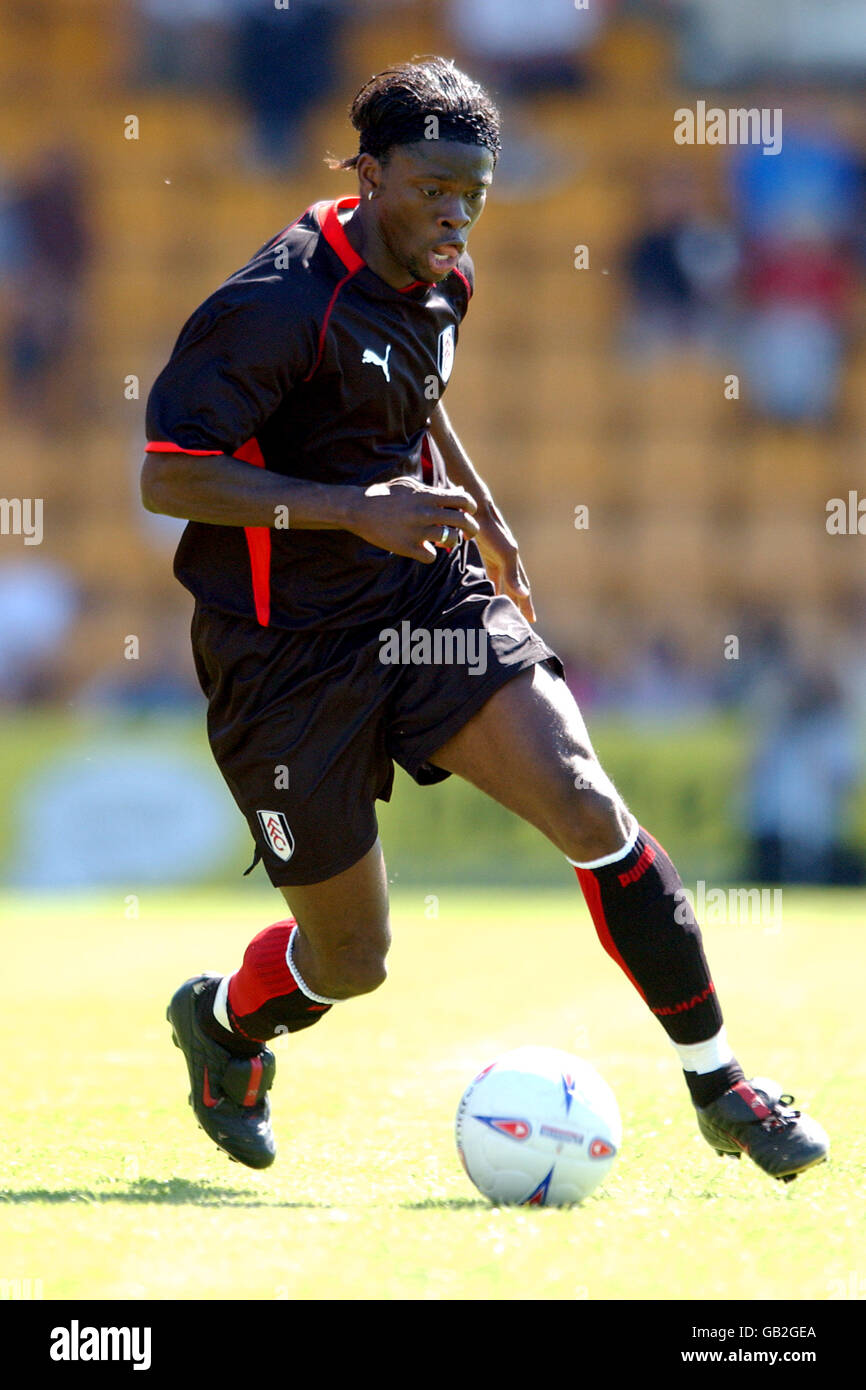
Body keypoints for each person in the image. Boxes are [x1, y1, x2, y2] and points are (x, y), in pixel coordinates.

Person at [141, 58, 827, 1186]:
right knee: (350, 960)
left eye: (474, 193)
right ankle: (223, 1026)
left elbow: (414, 397)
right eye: (431, 189)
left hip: (422, 593)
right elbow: (171, 477)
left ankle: (722, 1084)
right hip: (282, 652)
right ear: (368, 173)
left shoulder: (443, 272)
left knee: (585, 801)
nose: (455, 215)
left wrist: (490, 519)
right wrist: (354, 510)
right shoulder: (273, 304)